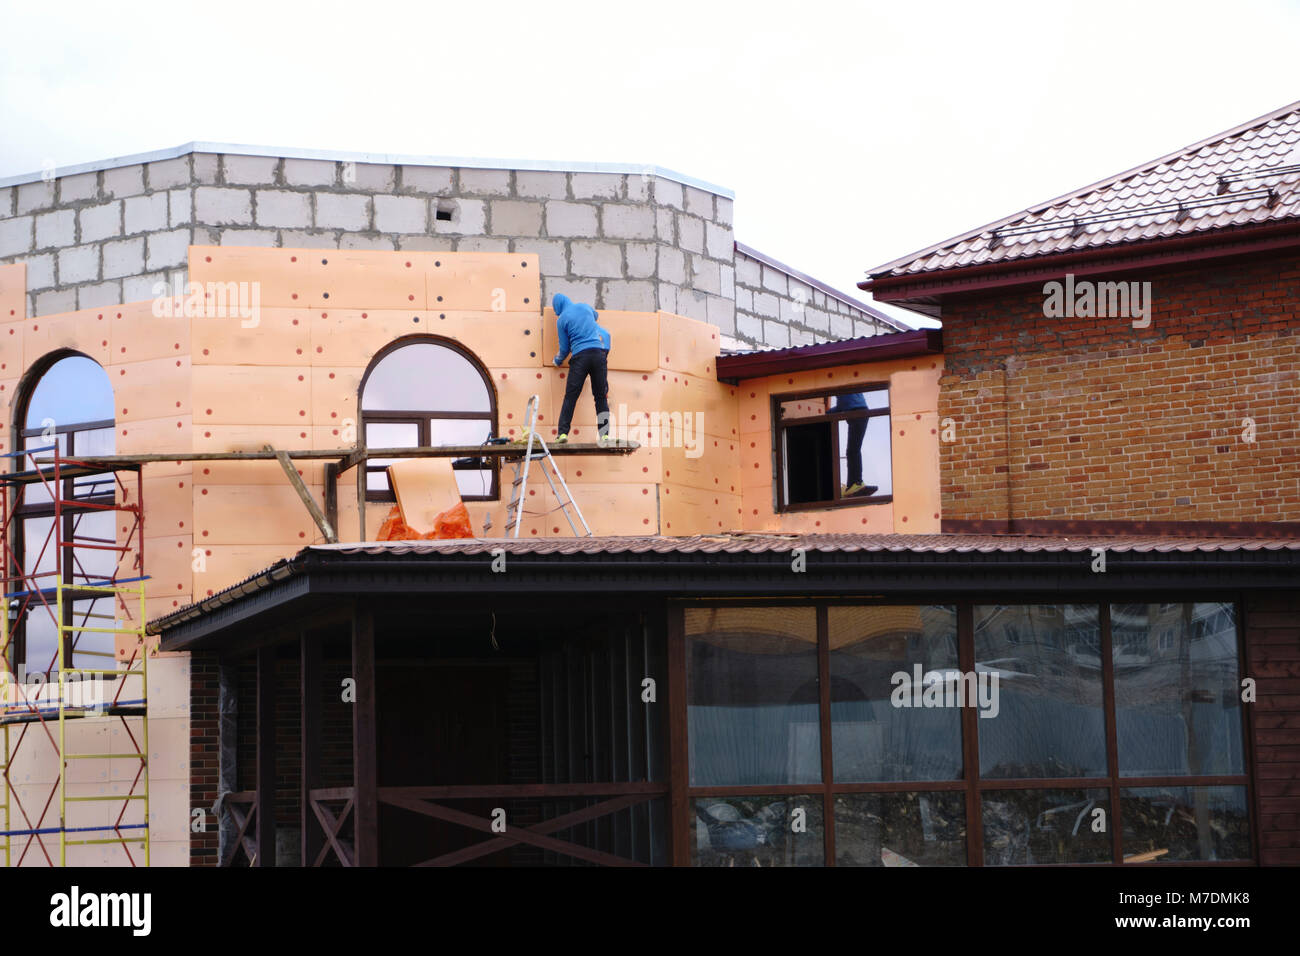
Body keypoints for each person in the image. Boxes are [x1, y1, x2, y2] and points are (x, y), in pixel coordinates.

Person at [552, 293, 611, 442]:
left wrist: (557, 361)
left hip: (580, 358)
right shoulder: (585, 307)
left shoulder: (562, 320)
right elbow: (595, 315)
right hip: (599, 355)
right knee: (600, 397)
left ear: (558, 306)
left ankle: (563, 434)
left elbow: (564, 348)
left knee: (571, 397)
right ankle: (604, 435)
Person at [833, 391, 875, 496]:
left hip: (857, 413)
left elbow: (841, 406)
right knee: (854, 450)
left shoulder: (841, 387)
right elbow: (841, 405)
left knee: (852, 451)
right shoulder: (847, 390)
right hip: (861, 412)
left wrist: (826, 414)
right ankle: (852, 485)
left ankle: (856, 483)